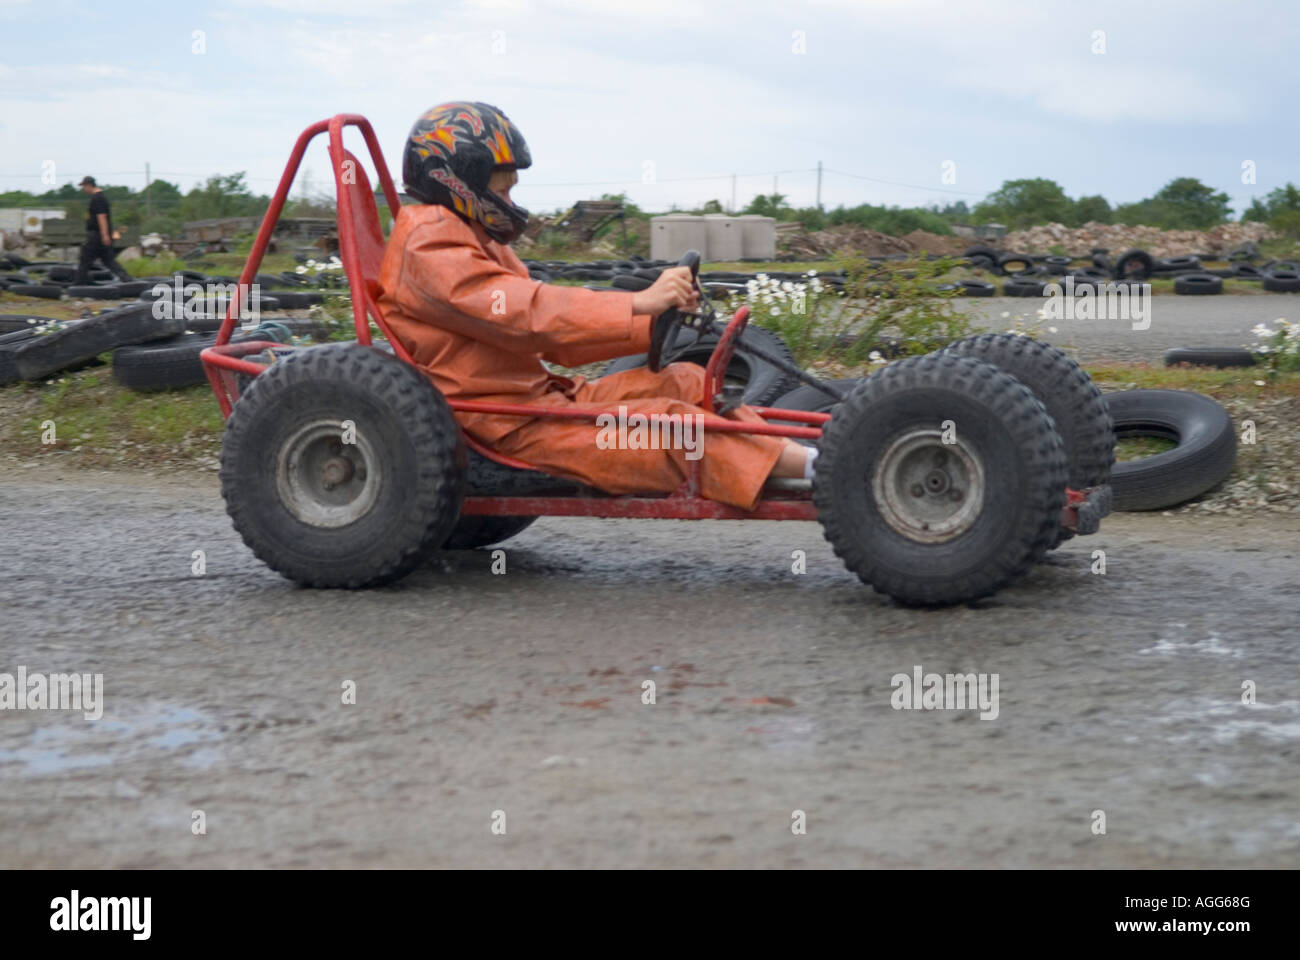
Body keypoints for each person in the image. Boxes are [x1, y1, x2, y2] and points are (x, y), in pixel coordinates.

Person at [376, 102, 813, 511]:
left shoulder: (470, 236)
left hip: (538, 402)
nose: (509, 203)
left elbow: (554, 345)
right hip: (508, 427)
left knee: (686, 380)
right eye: (502, 191)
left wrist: (651, 321)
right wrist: (639, 303)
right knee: (675, 428)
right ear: (460, 181)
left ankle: (787, 454)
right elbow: (530, 316)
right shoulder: (430, 242)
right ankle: (819, 469)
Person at [76, 176, 130, 283]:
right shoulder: (100, 197)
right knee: (108, 260)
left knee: (85, 258)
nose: (83, 189)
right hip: (100, 234)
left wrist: (104, 235)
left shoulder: (98, 198)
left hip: (96, 235)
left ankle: (79, 282)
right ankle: (127, 279)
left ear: (89, 185)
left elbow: (102, 217)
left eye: (84, 186)